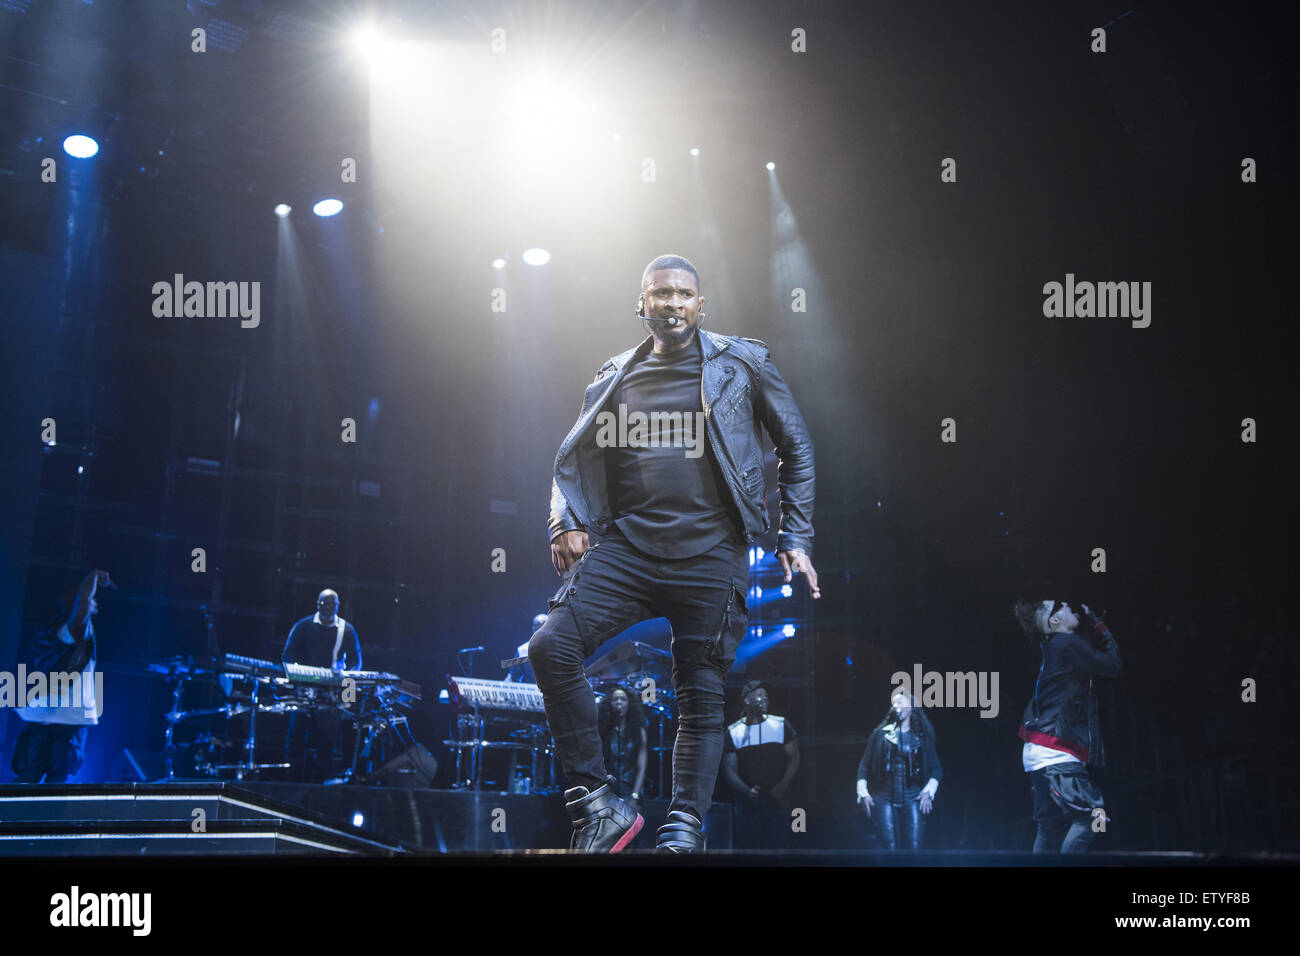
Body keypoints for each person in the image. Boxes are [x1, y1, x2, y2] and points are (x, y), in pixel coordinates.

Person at [529, 254, 818, 852]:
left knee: (700, 689)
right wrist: (565, 522)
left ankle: (685, 827)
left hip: (713, 552)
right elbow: (571, 458)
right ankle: (596, 804)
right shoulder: (612, 375)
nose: (672, 303)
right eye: (661, 294)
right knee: (549, 646)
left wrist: (796, 537)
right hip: (628, 549)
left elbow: (796, 444)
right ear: (642, 306)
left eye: (684, 294)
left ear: (700, 304)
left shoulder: (742, 363)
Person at [1013, 598, 1122, 853]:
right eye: (1061, 605)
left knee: (1049, 828)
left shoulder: (1055, 647)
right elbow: (1114, 665)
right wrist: (1099, 626)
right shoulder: (1065, 643)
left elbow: (1086, 657)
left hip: (1038, 752)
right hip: (1056, 751)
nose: (1068, 606)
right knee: (1093, 818)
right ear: (1054, 620)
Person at [10, 569, 113, 783]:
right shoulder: (73, 627)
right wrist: (93, 577)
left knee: (35, 775)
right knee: (51, 777)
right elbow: (83, 602)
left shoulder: (56, 631)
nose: (94, 601)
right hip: (66, 715)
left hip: (49, 713)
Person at [281, 589, 362, 782]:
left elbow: (355, 663)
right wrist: (298, 674)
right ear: (317, 605)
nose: (328, 608)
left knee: (327, 738)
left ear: (338, 606)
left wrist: (347, 697)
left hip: (331, 693)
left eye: (332, 604)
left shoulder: (347, 630)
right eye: (324, 604)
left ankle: (321, 782)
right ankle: (293, 778)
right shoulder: (303, 626)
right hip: (304, 688)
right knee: (297, 734)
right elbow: (288, 655)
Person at [855, 687, 942, 850]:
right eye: (893, 702)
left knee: (914, 846)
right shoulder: (880, 735)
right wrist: (863, 793)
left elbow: (936, 768)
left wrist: (928, 791)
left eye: (900, 701)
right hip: (884, 797)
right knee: (889, 847)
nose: (896, 705)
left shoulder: (921, 737)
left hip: (913, 797)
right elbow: (864, 766)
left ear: (911, 706)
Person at [721, 680, 801, 848]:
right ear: (747, 699)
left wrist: (783, 785)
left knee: (780, 848)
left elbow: (794, 758)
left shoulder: (780, 724)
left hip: (778, 801)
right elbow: (729, 770)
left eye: (766, 696)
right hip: (748, 805)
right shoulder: (734, 731)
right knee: (750, 851)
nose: (765, 699)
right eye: (760, 695)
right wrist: (747, 791)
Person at [597, 686, 647, 808]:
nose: (619, 702)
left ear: (629, 704)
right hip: (607, 792)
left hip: (629, 791)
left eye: (623, 699)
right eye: (615, 699)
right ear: (610, 703)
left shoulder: (638, 732)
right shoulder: (603, 731)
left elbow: (642, 768)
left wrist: (635, 795)